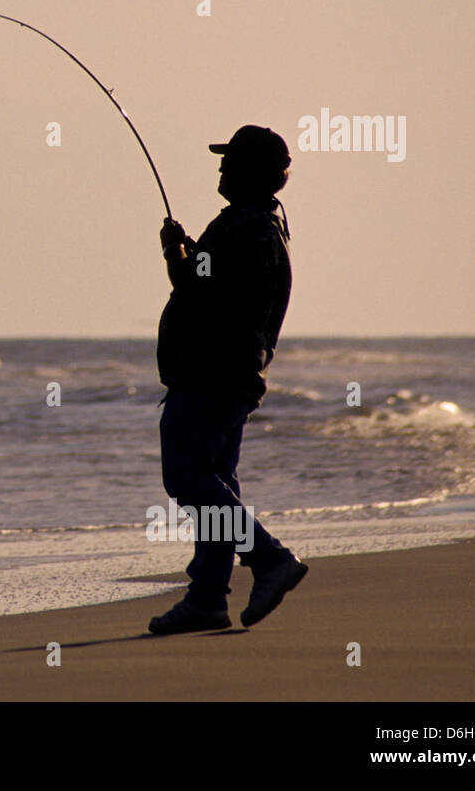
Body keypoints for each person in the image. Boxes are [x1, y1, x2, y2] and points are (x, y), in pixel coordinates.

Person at [148, 125, 308, 635]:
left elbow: (195, 288)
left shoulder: (239, 227)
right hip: (235, 377)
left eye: (229, 162)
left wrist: (176, 252)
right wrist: (190, 250)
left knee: (188, 479)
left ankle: (269, 558)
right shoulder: (263, 229)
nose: (219, 170)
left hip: (209, 377)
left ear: (251, 173)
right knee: (216, 481)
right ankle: (207, 598)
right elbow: (215, 285)